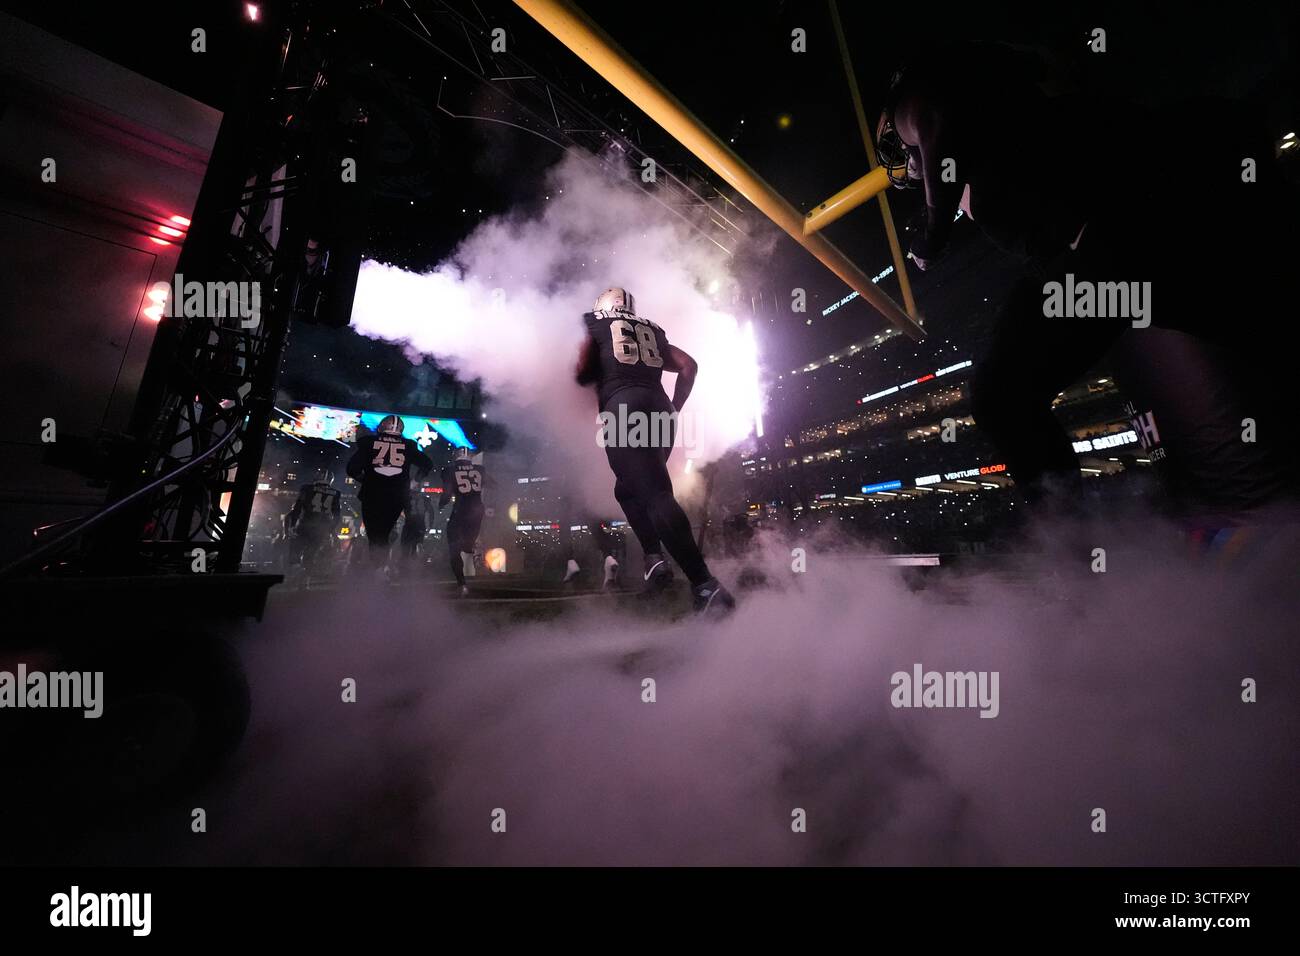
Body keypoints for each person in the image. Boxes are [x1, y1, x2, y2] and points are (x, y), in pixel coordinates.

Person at [876, 41, 1298, 514]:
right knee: (1251, 324)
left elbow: (930, 118)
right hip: (1143, 226)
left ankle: (1069, 551)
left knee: (1000, 391)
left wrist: (933, 234)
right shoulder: (1001, 103)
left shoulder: (921, 103)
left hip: (1116, 233)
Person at [574, 287, 734, 614]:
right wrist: (674, 406)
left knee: (657, 495)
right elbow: (688, 366)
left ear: (603, 306)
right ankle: (655, 560)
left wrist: (595, 381)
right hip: (658, 408)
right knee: (629, 490)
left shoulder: (595, 325)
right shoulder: (651, 329)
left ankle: (705, 586)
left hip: (625, 408)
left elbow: (583, 373)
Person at [346, 415, 433, 569]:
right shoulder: (408, 445)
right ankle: (380, 569)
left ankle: (377, 568)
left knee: (374, 536)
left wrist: (367, 480)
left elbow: (352, 469)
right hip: (397, 497)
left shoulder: (369, 443)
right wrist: (414, 481)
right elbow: (427, 463)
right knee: (384, 534)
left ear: (382, 426)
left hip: (373, 495)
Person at [438, 446, 486, 595]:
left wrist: (441, 503)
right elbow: (493, 484)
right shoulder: (480, 470)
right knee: (466, 546)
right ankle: (473, 548)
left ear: (455, 456)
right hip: (478, 510)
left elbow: (447, 493)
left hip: (461, 510)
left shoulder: (449, 470)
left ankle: (462, 583)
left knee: (454, 549)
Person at [286, 469, 341, 573]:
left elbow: (297, 508)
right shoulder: (336, 493)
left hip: (306, 524)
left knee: (295, 548)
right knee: (311, 554)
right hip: (322, 529)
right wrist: (330, 530)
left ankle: (296, 570)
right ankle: (306, 579)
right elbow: (337, 515)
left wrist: (292, 525)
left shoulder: (307, 488)